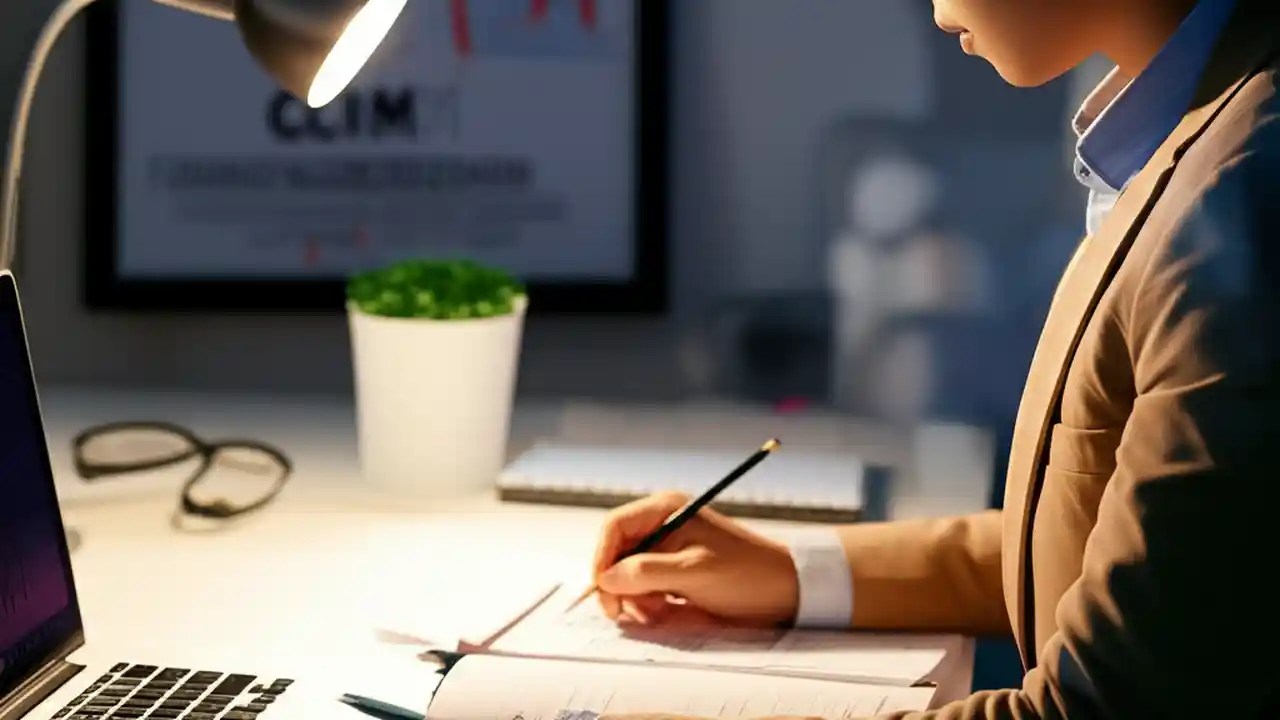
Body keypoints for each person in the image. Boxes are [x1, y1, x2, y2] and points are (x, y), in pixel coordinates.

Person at [590, 0, 1280, 717]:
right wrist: (796, 572)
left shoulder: (1238, 208)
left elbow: (1102, 709)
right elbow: (1133, 547)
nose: (934, 11)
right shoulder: (1197, 139)